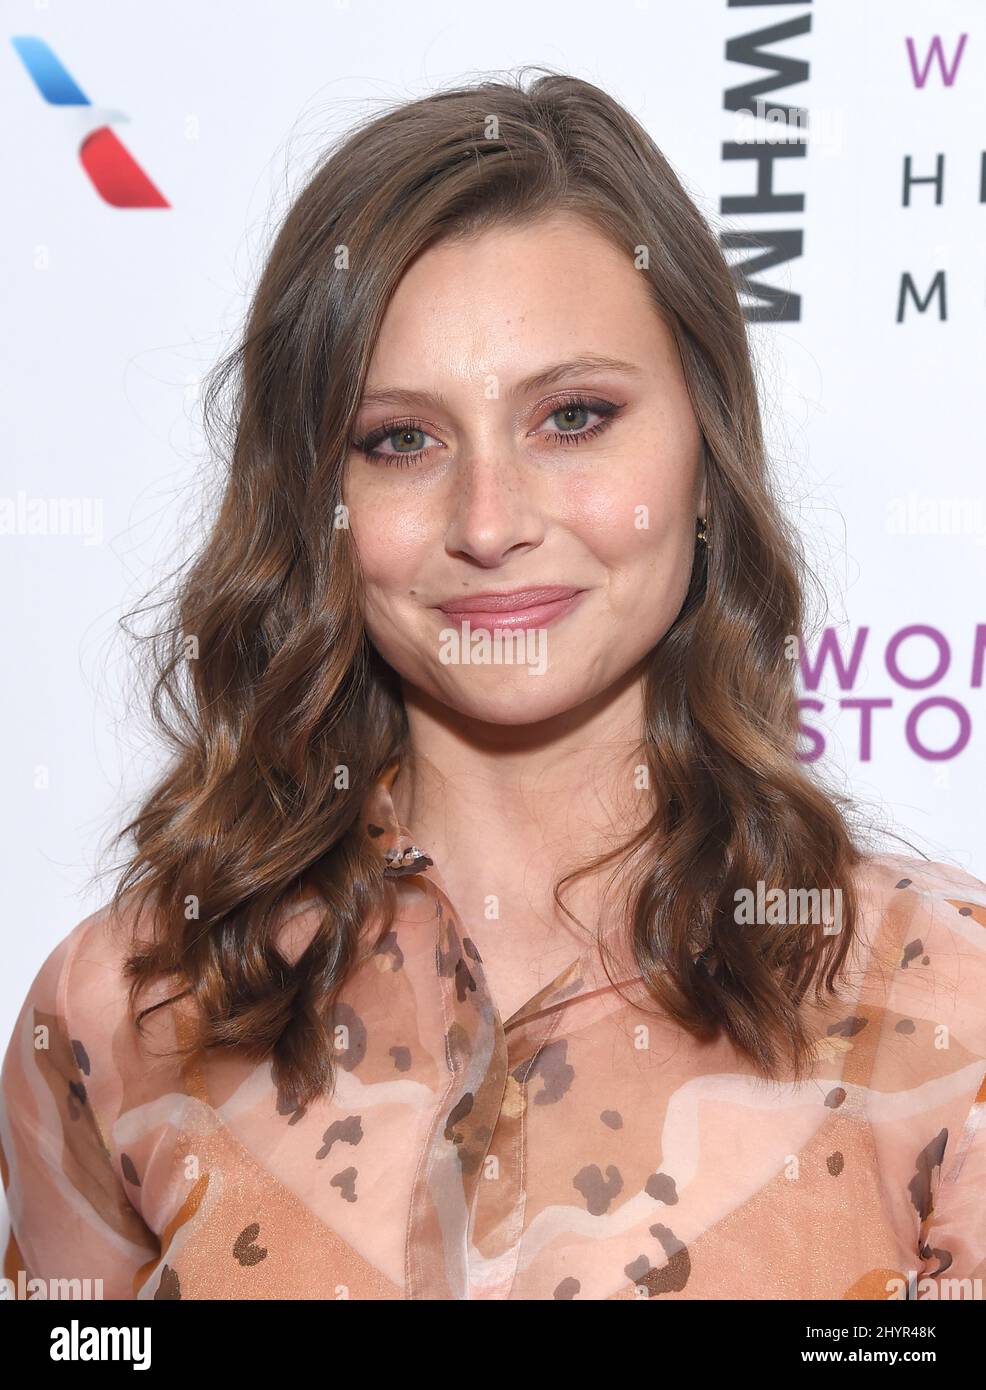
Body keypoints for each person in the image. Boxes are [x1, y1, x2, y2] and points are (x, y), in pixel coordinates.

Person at [2, 69, 984, 1302]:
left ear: (705, 449)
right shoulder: (129, 1007)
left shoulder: (944, 1002)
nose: (487, 521)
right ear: (316, 497)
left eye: (572, 416)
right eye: (398, 439)